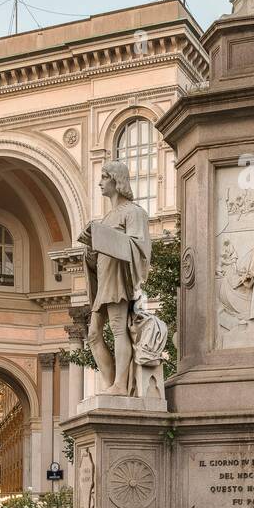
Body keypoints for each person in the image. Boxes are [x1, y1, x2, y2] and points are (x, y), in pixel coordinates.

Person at [78, 160, 151, 395]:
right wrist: (91, 249)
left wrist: (106, 239)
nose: (100, 182)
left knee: (119, 329)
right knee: (93, 335)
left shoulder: (134, 212)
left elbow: (139, 247)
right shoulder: (107, 218)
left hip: (118, 278)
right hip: (104, 279)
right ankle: (110, 386)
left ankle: (120, 385)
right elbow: (97, 258)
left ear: (116, 180)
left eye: (104, 177)